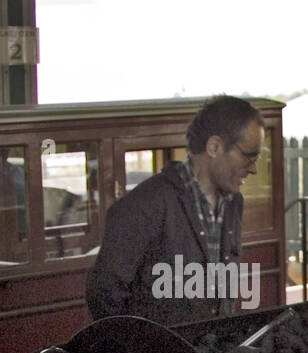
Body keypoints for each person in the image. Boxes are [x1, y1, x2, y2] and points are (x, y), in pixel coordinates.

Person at [86, 95, 263, 325]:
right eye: (249, 156)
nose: (254, 169)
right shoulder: (143, 205)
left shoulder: (233, 203)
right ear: (214, 147)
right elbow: (104, 294)